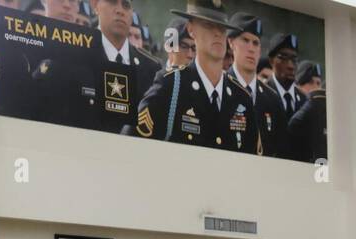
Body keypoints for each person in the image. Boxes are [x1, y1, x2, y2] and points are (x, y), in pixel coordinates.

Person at [124, 1, 261, 154]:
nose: (217, 33)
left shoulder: (241, 97)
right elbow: (131, 144)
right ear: (191, 29)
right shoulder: (171, 85)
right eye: (209, 25)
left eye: (222, 28)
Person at [33, 0, 160, 134]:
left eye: (126, 5)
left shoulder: (151, 69)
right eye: (112, 2)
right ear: (95, 6)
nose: (120, 10)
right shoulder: (69, 55)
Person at [226, 12, 287, 159]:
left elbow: (282, 150)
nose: (251, 48)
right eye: (245, 40)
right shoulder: (220, 88)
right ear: (231, 43)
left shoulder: (272, 99)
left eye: (255, 43)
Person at [265, 32, 304, 121]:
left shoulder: (304, 100)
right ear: (271, 61)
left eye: (294, 59)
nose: (290, 66)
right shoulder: (261, 96)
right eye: (283, 58)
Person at [286, 83, 326, 163]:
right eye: (315, 83)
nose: (317, 85)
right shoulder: (314, 107)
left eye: (319, 83)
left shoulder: (311, 107)